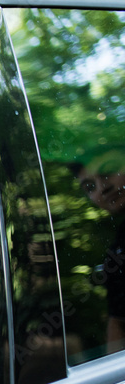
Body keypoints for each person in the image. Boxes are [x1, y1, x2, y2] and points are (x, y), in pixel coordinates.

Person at [71, 147, 125, 352]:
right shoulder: (118, 247)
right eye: (90, 186)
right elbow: (118, 320)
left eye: (109, 171)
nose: (103, 188)